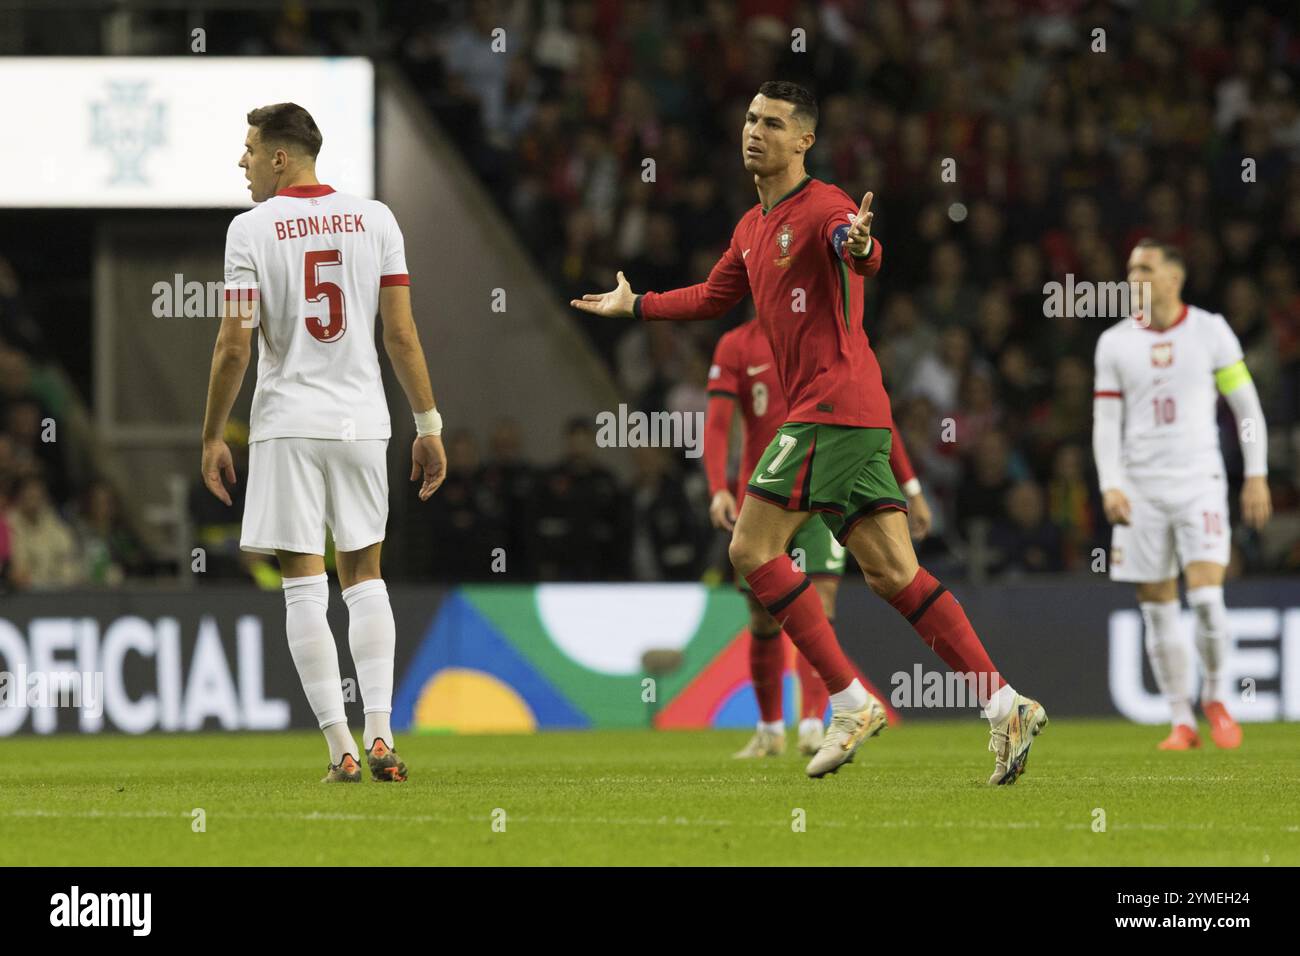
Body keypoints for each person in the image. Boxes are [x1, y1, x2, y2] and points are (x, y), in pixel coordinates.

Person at [572, 81, 1046, 783]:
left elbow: (858, 248)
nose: (753, 132)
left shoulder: (825, 205)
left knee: (750, 549)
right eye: (749, 119)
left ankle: (850, 701)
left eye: (771, 123)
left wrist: (861, 243)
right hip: (855, 417)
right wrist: (635, 302)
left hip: (832, 408)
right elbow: (710, 297)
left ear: (804, 140)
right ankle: (1003, 703)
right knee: (893, 574)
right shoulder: (751, 226)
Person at [200, 103, 447, 783]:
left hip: (287, 425)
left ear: (282, 157)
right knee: (365, 579)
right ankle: (381, 734)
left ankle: (338, 747)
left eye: (250, 149)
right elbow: (400, 335)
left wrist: (214, 433)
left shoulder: (250, 230)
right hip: (363, 423)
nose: (242, 161)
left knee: (304, 588)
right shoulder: (377, 220)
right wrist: (428, 425)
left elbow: (234, 344)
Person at [1093, 239, 1271, 750]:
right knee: (1156, 606)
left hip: (1200, 483)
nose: (1133, 278)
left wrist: (1256, 474)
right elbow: (1106, 423)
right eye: (1129, 269)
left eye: (1145, 268)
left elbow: (1248, 409)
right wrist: (1111, 483)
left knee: (1209, 600)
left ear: (1174, 278)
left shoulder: (1211, 331)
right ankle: (1181, 720)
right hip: (1141, 489)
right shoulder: (1115, 342)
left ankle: (1215, 696)